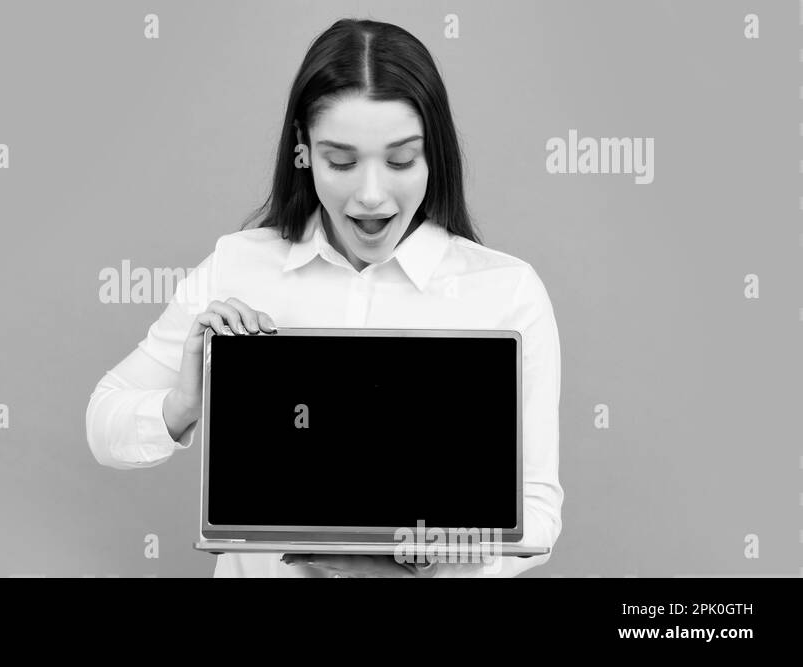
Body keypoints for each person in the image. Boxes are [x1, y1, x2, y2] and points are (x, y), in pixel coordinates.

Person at [85, 17, 563, 578]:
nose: (371, 195)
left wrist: (424, 565)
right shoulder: (238, 266)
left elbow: (537, 515)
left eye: (401, 160)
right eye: (341, 161)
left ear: (435, 154)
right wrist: (183, 405)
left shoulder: (506, 291)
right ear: (304, 151)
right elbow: (102, 425)